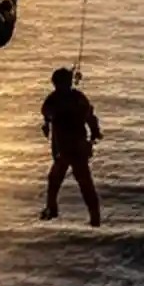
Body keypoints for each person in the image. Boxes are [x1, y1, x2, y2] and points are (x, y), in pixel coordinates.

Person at [39, 67, 102, 226]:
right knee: (81, 182)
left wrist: (47, 124)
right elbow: (90, 117)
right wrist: (95, 132)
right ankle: (94, 218)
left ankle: (53, 209)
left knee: (60, 179)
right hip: (73, 147)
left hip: (66, 148)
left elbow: (47, 115)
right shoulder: (76, 98)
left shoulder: (54, 100)